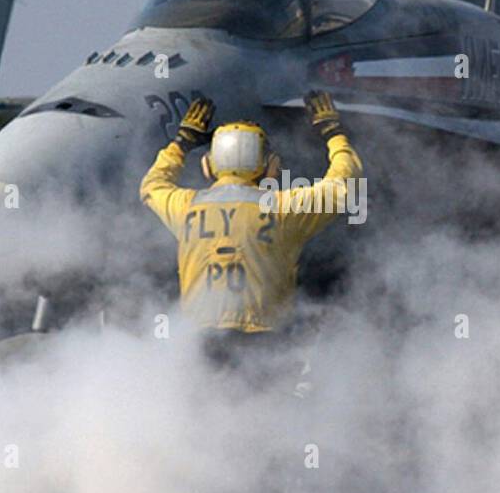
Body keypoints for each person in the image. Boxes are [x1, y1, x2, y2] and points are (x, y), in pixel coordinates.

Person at [140, 91, 363, 346]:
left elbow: (152, 185)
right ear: (268, 165)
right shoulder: (283, 210)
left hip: (197, 345)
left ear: (208, 165)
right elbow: (345, 183)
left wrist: (181, 143)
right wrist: (334, 134)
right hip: (264, 345)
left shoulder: (187, 207)